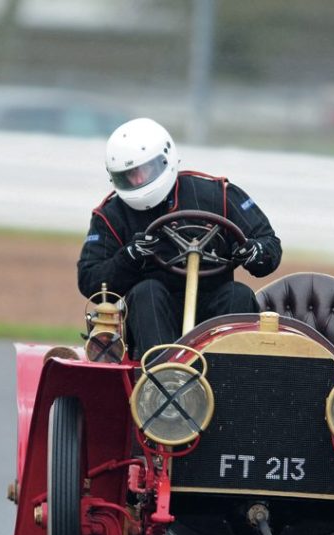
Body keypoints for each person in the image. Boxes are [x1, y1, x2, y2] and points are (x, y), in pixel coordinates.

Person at [77, 118, 281, 357]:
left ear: (166, 159)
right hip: (153, 313)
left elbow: (269, 244)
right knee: (147, 292)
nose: (138, 181)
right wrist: (129, 257)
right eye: (129, 177)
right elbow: (90, 280)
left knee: (239, 294)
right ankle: (162, 379)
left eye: (143, 172)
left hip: (215, 304)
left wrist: (254, 251)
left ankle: (229, 380)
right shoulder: (111, 214)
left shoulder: (218, 194)